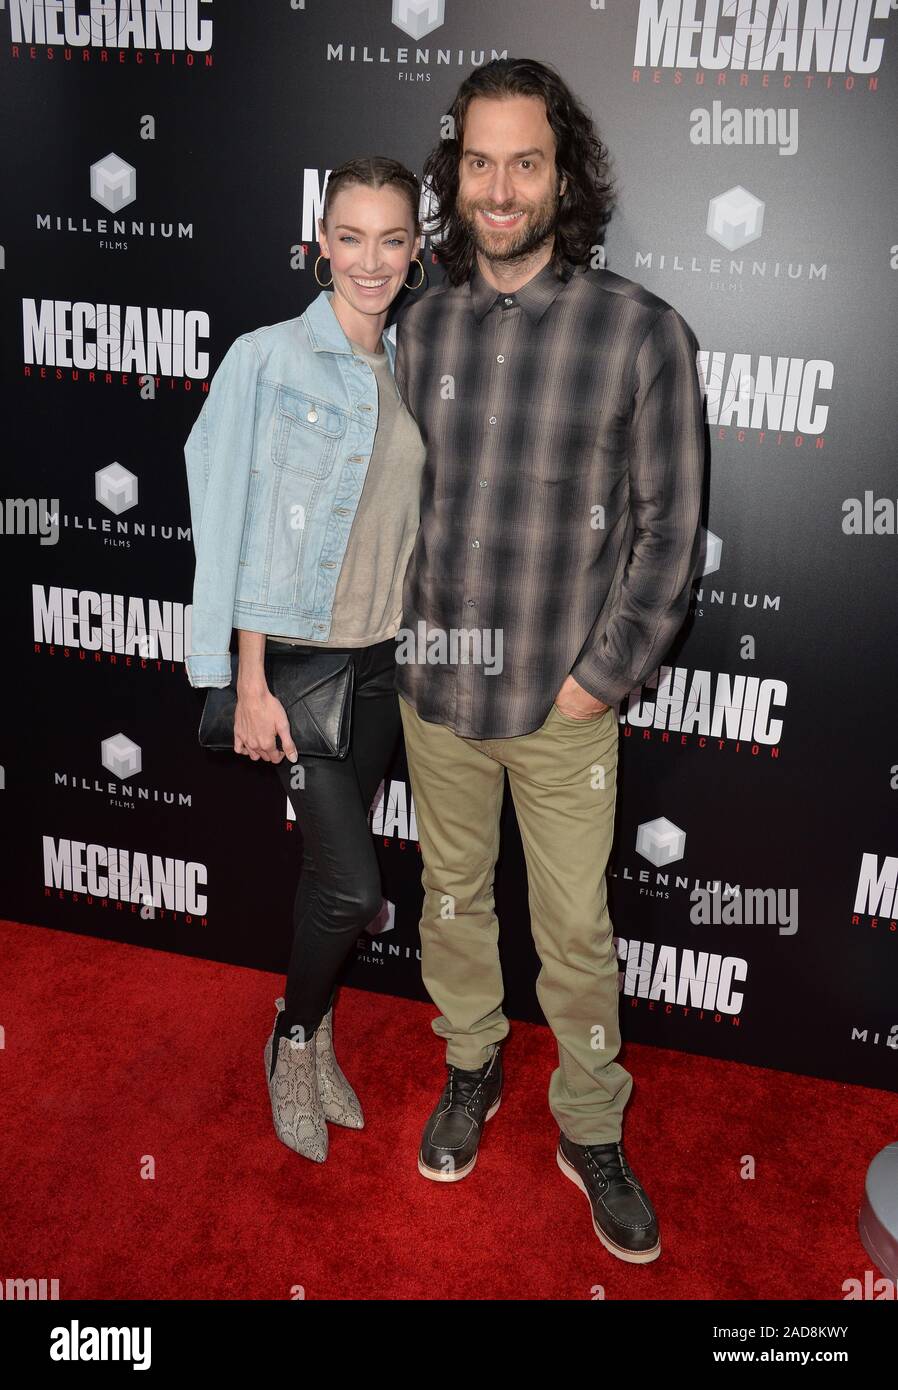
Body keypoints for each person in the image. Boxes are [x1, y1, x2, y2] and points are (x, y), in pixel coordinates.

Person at [393, 59, 705, 1260]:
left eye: (526, 161)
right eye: (479, 162)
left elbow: (669, 535)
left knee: (575, 934)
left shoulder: (640, 332)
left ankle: (588, 1126)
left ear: (561, 174)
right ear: (454, 172)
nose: (501, 187)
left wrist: (595, 679)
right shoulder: (417, 325)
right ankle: (471, 1067)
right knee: (453, 903)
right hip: (435, 691)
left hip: (563, 704)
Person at [184, 157, 427, 1163]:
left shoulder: (409, 366)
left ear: (414, 252)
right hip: (296, 668)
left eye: (393, 239)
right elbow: (229, 518)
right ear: (321, 242)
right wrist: (243, 678)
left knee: (327, 870)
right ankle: (292, 1038)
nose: (370, 260)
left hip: (379, 668)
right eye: (352, 236)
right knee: (351, 889)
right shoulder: (267, 358)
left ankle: (318, 1028)